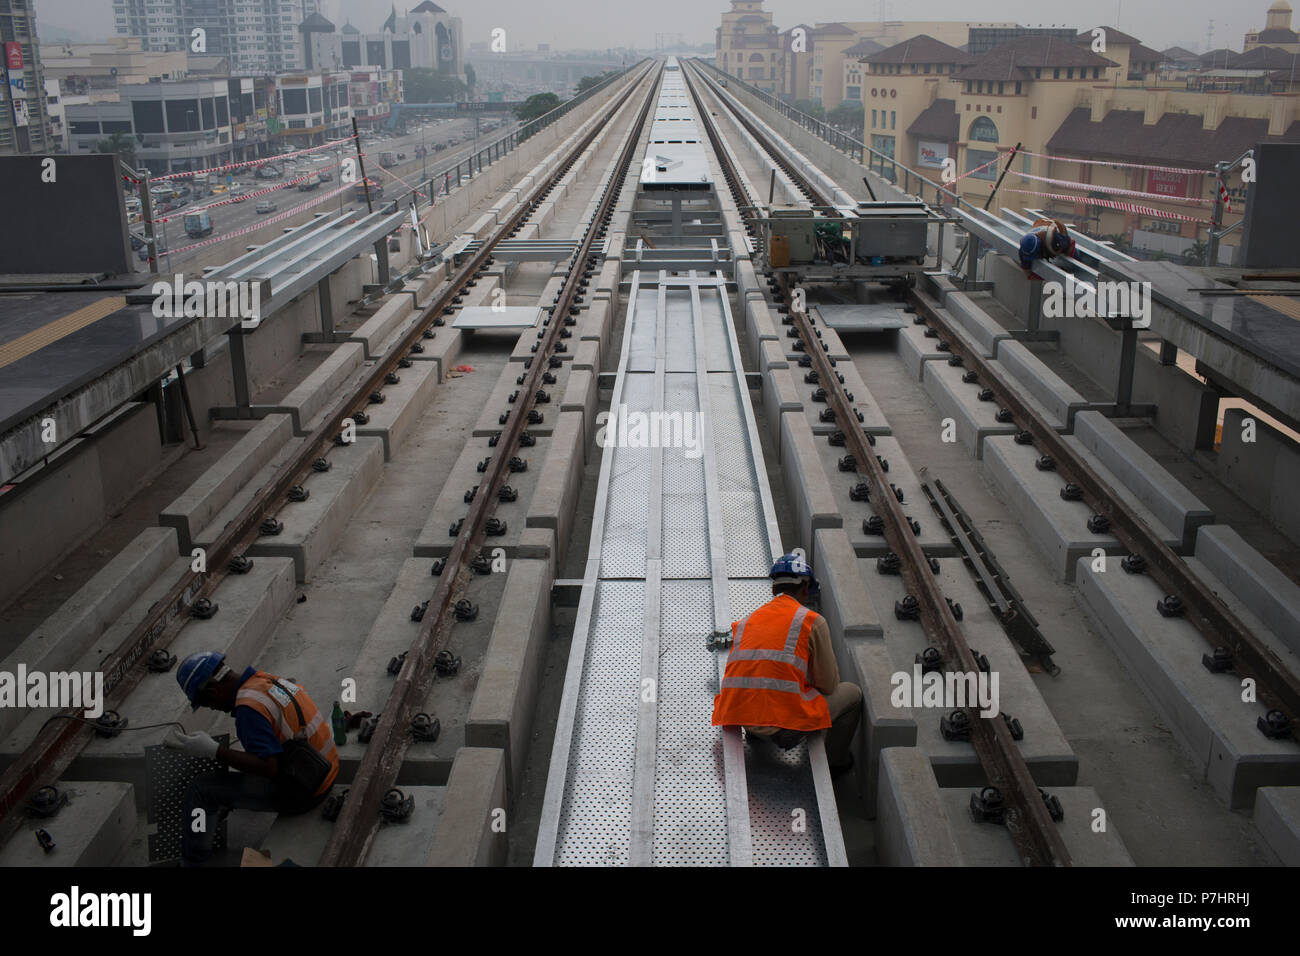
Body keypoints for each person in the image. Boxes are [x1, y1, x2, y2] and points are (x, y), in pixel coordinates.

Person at [165, 651, 339, 866]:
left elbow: (268, 768)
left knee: (201, 789)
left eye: (208, 703)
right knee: (241, 766)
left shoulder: (248, 710)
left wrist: (215, 751)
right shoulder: (265, 680)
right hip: (325, 769)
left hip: (304, 793)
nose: (213, 708)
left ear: (213, 690)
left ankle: (192, 862)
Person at [711, 552, 863, 773]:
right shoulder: (812, 621)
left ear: (774, 590)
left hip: (738, 714)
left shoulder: (747, 621)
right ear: (804, 589)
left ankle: (757, 733)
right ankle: (835, 763)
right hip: (780, 722)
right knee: (852, 694)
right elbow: (828, 685)